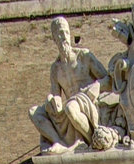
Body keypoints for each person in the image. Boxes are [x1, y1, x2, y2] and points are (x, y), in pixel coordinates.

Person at [29, 16, 109, 152]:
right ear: (54, 38)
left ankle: (91, 140)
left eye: (66, 32)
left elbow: (109, 80)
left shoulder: (84, 56)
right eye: (60, 33)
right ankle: (61, 144)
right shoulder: (55, 68)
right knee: (34, 112)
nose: (64, 37)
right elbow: (56, 94)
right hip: (69, 110)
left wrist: (97, 86)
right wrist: (53, 101)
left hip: (87, 103)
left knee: (71, 108)